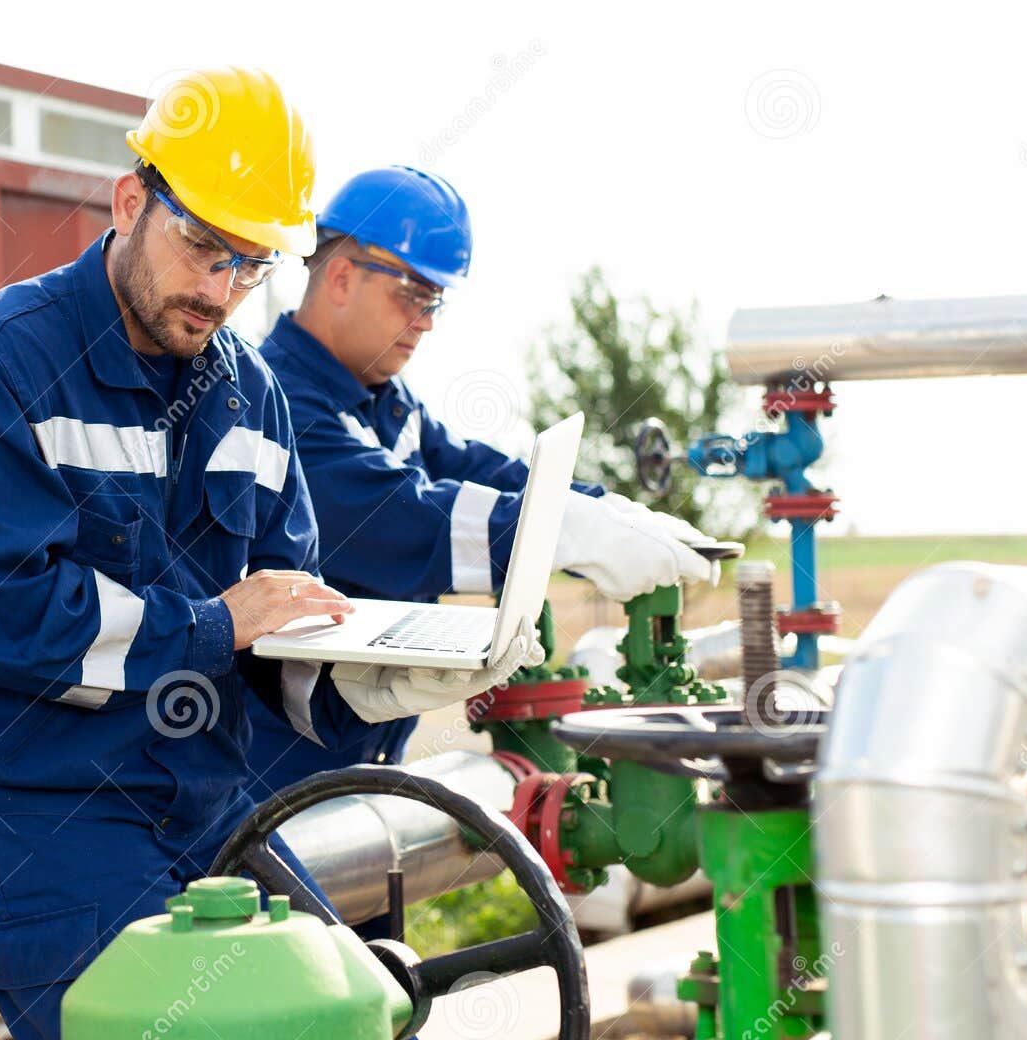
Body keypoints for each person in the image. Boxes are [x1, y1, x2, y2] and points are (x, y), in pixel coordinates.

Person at [0, 73, 537, 1040]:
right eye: (205, 247)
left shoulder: (248, 393)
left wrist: (386, 678)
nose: (220, 290)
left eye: (250, 264)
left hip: (201, 806)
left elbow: (282, 629)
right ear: (131, 202)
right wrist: (213, 625)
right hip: (32, 810)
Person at [245, 166, 717, 800]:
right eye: (413, 293)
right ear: (340, 276)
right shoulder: (274, 399)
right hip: (266, 778)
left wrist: (609, 513)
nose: (427, 321)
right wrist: (568, 535)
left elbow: (474, 470)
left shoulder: (384, 401)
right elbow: (397, 516)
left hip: (357, 761)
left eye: (436, 300)